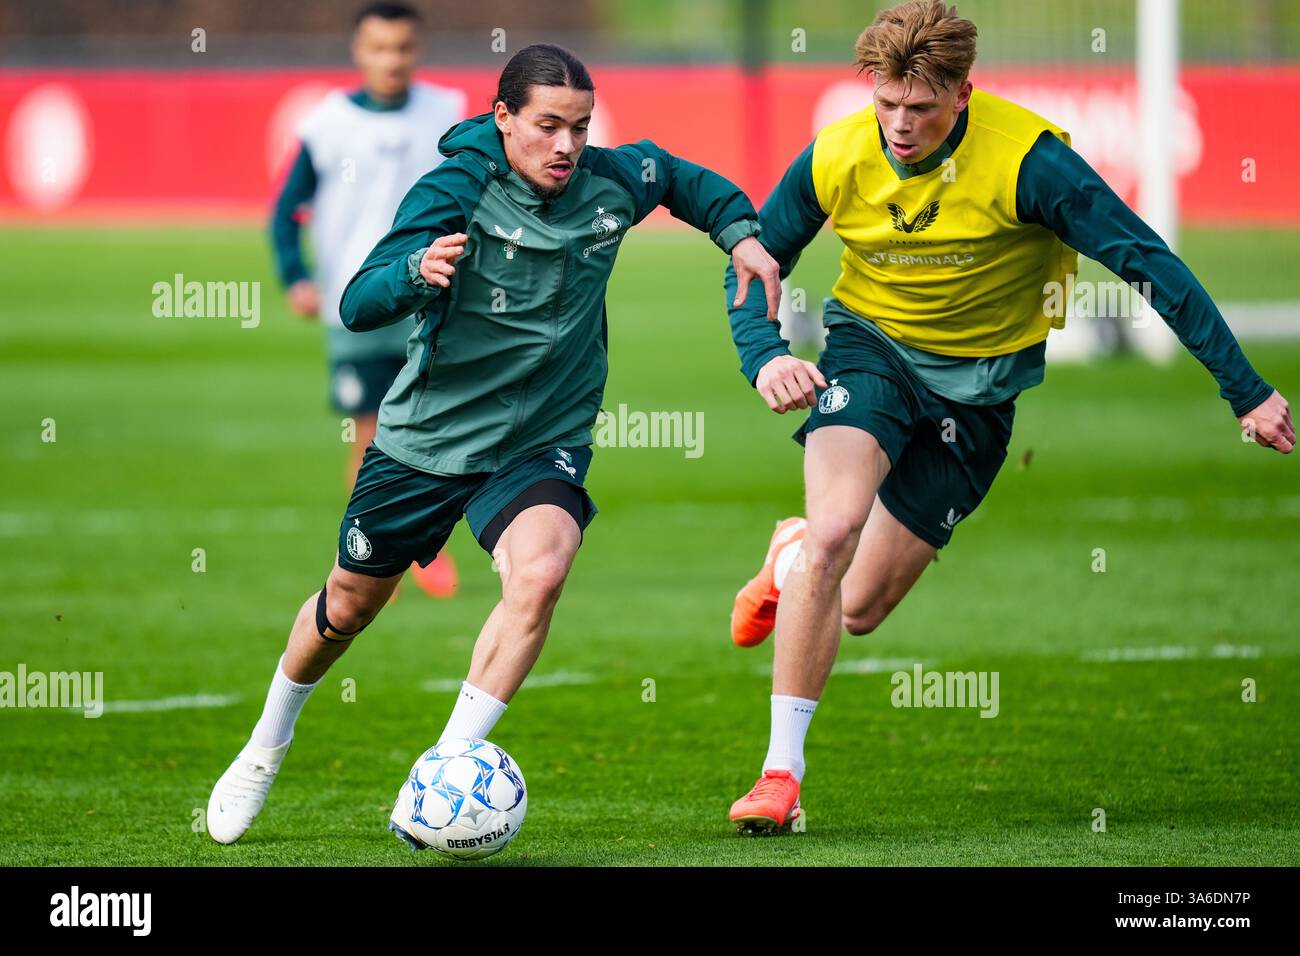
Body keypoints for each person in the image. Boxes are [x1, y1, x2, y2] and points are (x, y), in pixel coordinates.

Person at [723, 0, 1293, 833]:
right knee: (838, 528)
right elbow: (755, 259)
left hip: (979, 396)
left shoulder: (1033, 163)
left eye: (921, 107)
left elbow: (1146, 261)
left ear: (963, 93)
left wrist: (1243, 388)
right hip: (870, 352)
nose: (900, 125)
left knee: (860, 606)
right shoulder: (838, 151)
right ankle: (781, 775)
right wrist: (765, 355)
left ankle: (789, 555)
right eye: (887, 103)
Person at [208, 42, 782, 847]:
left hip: (541, 439)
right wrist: (416, 269)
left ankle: (443, 769)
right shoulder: (455, 189)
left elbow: (684, 179)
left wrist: (741, 232)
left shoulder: (614, 181)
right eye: (548, 126)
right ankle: (265, 747)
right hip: (429, 438)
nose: (567, 145)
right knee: (348, 603)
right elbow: (359, 301)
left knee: (541, 571)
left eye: (580, 126)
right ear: (503, 117)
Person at [270, 1, 464, 597]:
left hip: (431, 296)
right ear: (358, 51)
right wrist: (296, 276)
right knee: (370, 433)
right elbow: (285, 210)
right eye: (380, 48)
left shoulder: (447, 113)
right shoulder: (328, 123)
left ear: (417, 50)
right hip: (356, 304)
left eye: (402, 48)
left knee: (433, 424)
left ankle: (426, 546)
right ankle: (375, 549)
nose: (392, 60)